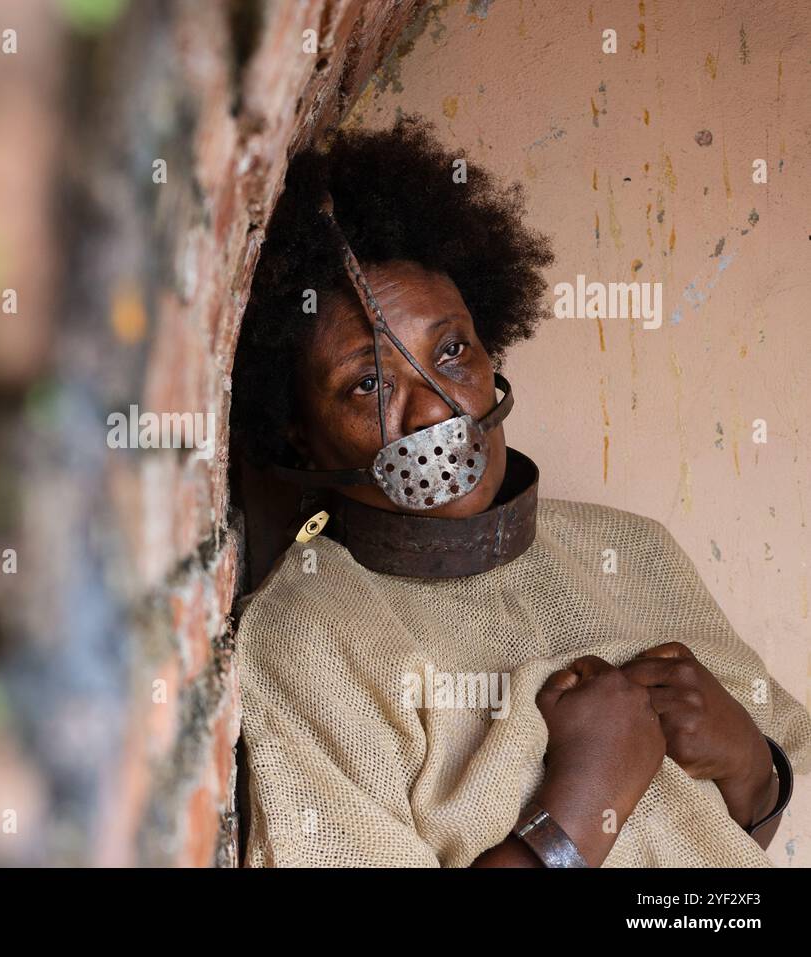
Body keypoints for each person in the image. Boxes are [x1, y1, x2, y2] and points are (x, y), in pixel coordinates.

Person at [229, 116, 810, 867]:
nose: (438, 408)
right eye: (369, 383)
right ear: (298, 435)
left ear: (491, 346)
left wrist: (749, 766)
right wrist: (574, 813)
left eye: (451, 350)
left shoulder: (630, 550)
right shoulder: (308, 637)